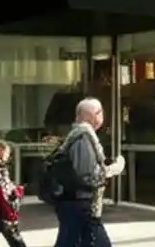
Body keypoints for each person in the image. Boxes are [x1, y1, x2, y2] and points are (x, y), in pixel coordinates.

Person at [51, 98, 124, 247]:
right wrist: (113, 169)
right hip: (80, 204)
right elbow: (87, 175)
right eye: (100, 112)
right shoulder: (83, 137)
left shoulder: (78, 135)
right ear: (94, 115)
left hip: (76, 204)